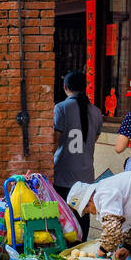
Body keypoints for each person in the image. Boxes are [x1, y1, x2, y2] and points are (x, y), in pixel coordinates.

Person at [52, 70, 103, 240]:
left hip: (63, 173)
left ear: (65, 88)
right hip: (86, 174)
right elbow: (93, 139)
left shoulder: (61, 108)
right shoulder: (96, 111)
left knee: (63, 216)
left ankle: (65, 255)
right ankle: (80, 249)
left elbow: (54, 142)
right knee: (83, 213)